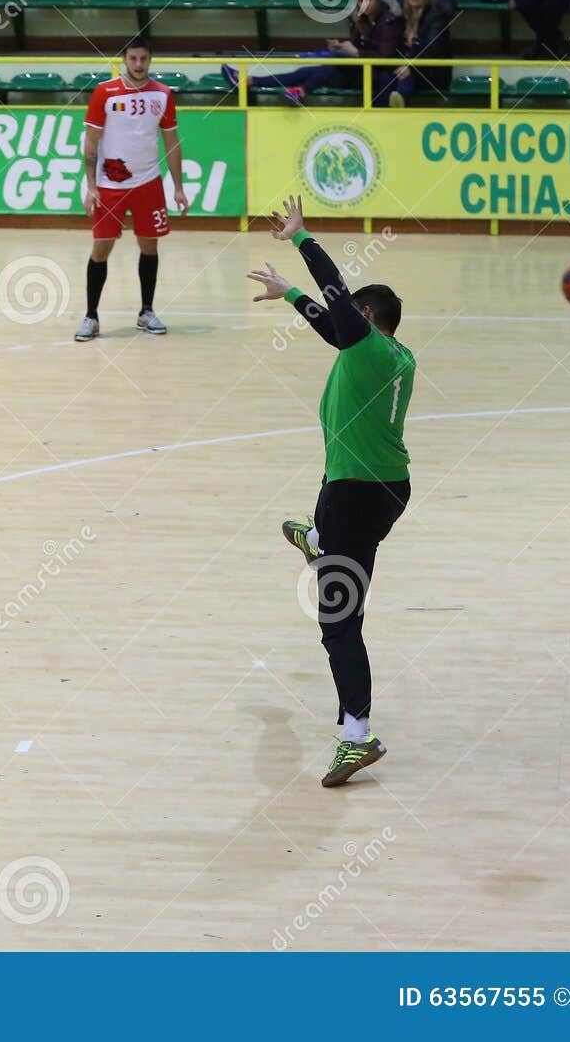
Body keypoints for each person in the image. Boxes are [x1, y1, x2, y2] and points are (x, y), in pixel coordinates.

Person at [245, 194, 415, 789]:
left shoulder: (364, 345)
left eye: (353, 315)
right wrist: (290, 294)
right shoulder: (393, 353)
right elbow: (331, 323)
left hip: (356, 494)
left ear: (366, 320)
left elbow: (338, 302)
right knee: (331, 521)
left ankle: (357, 736)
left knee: (339, 624)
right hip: (385, 489)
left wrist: (301, 237)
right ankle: (318, 538)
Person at [75, 37, 188, 342]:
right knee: (101, 248)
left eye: (144, 59)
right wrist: (91, 186)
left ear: (150, 60)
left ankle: (146, 312)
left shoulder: (163, 95)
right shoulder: (105, 92)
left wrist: (178, 187)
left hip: (148, 184)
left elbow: (171, 143)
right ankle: (91, 316)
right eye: (133, 59)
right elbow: (91, 142)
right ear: (124, 60)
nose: (139, 65)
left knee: (149, 247)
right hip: (110, 186)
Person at [220, 0, 399, 106]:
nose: (364, 4)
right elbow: (359, 46)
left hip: (377, 77)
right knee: (308, 70)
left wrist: (355, 52)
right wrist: (343, 46)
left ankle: (302, 92)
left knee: (332, 61)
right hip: (357, 71)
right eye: (360, 0)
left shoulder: (388, 21)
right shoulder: (362, 20)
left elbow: (385, 55)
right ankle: (249, 81)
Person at [387, 0, 449, 105]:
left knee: (405, 77)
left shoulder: (437, 16)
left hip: (430, 70)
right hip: (404, 68)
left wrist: (410, 66)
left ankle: (398, 108)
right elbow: (396, 46)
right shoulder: (402, 15)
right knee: (384, 76)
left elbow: (432, 48)